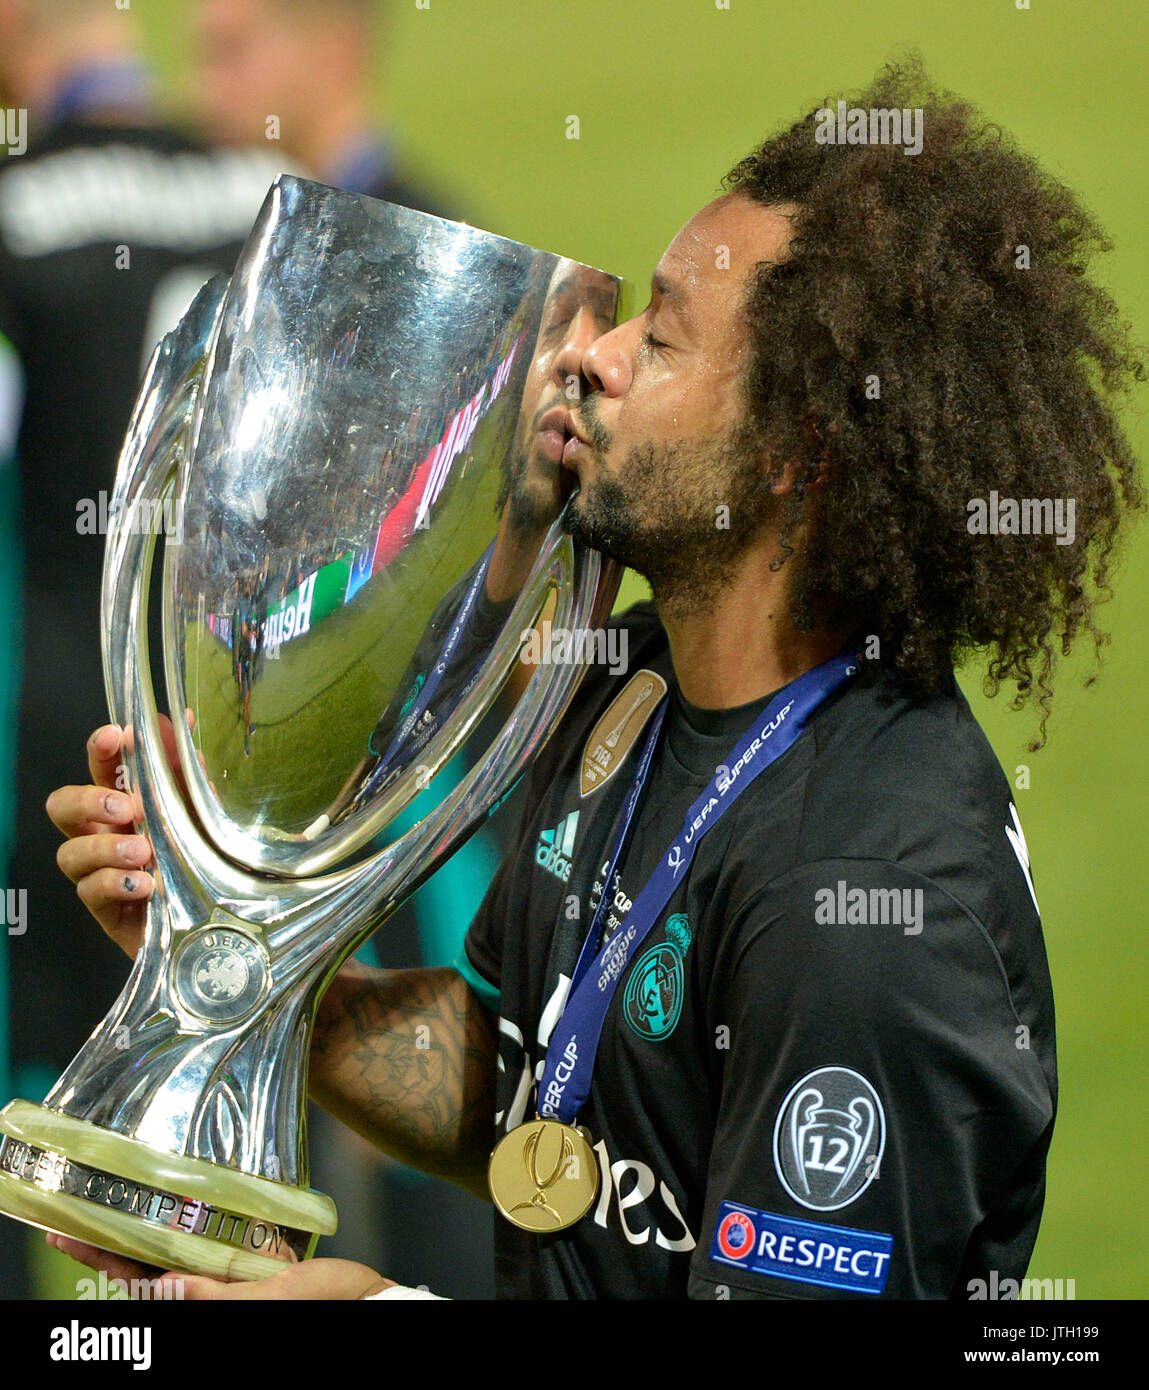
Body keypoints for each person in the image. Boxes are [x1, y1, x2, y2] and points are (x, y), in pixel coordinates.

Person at [44, 60, 1143, 1299]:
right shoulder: (629, 680)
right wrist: (234, 955)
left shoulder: (868, 915)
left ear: (798, 457)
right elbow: (543, 1095)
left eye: (661, 339)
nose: (596, 357)